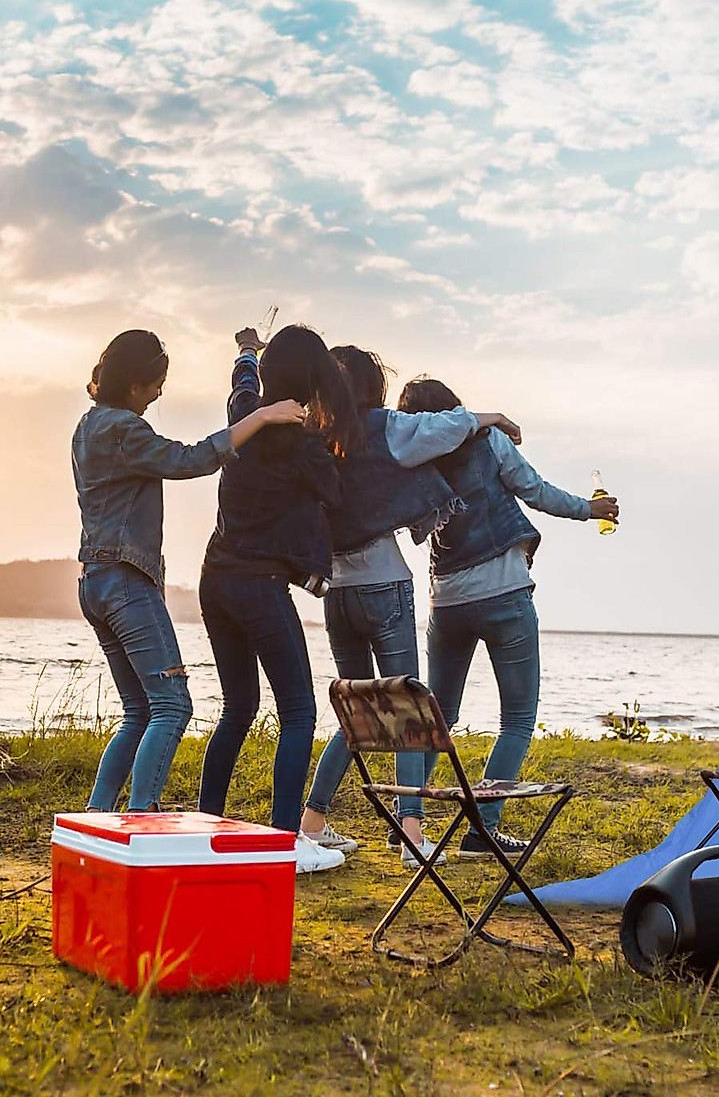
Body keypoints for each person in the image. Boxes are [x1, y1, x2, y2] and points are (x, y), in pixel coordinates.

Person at [297, 347, 522, 865]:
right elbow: (444, 429)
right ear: (373, 387)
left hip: (337, 594)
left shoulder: (315, 439)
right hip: (383, 586)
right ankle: (412, 837)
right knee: (409, 712)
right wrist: (491, 416)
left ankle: (311, 825)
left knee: (356, 715)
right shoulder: (383, 428)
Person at [73, 329, 305, 814]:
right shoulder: (124, 429)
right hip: (126, 583)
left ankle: (96, 821)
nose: (159, 392)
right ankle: (141, 819)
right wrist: (260, 415)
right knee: (173, 706)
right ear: (135, 384)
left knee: (138, 711)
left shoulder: (88, 426)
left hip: (93, 580)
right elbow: (191, 458)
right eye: (155, 383)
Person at [396, 376, 620, 859]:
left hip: (446, 601)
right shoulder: (488, 440)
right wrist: (590, 508)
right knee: (516, 719)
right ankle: (483, 830)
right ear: (455, 410)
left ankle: (408, 822)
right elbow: (535, 490)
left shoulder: (411, 462)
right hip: (503, 595)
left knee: (441, 716)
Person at [196, 325, 358, 875]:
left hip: (214, 578)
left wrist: (245, 349)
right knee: (298, 710)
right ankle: (286, 839)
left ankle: (206, 824)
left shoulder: (246, 415)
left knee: (237, 709)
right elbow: (336, 494)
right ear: (313, 381)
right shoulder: (305, 446)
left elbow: (241, 381)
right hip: (259, 586)